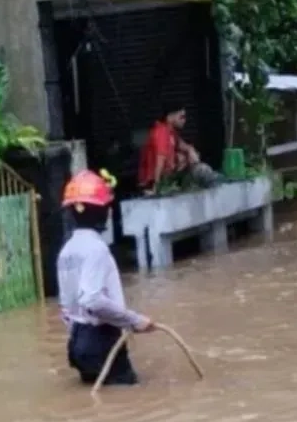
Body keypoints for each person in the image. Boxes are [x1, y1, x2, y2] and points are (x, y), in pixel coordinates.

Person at [58, 169, 154, 385]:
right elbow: (91, 300)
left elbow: (66, 308)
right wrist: (135, 321)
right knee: (129, 403)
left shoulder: (66, 251)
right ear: (103, 212)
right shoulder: (97, 249)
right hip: (102, 340)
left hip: (77, 344)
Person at [138, 102, 221, 194]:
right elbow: (159, 161)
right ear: (170, 117)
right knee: (200, 169)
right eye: (181, 117)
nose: (184, 120)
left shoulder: (172, 133)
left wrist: (190, 152)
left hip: (169, 179)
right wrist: (156, 187)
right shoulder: (161, 132)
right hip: (156, 182)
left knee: (195, 164)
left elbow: (185, 146)